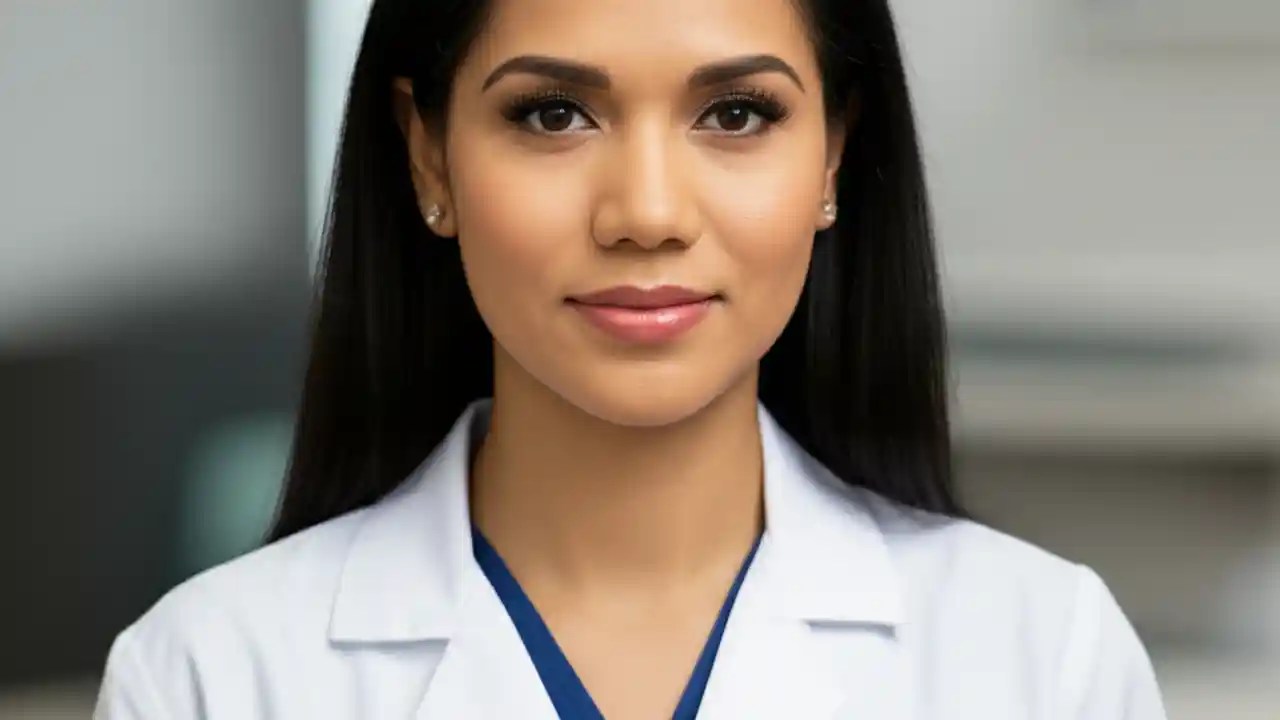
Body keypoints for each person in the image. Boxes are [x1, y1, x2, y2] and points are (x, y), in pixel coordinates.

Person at [93, 0, 1168, 717]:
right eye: (552, 114)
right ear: (428, 155)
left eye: (735, 114)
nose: (647, 213)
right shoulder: (210, 678)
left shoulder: (1043, 659)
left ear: (834, 152)